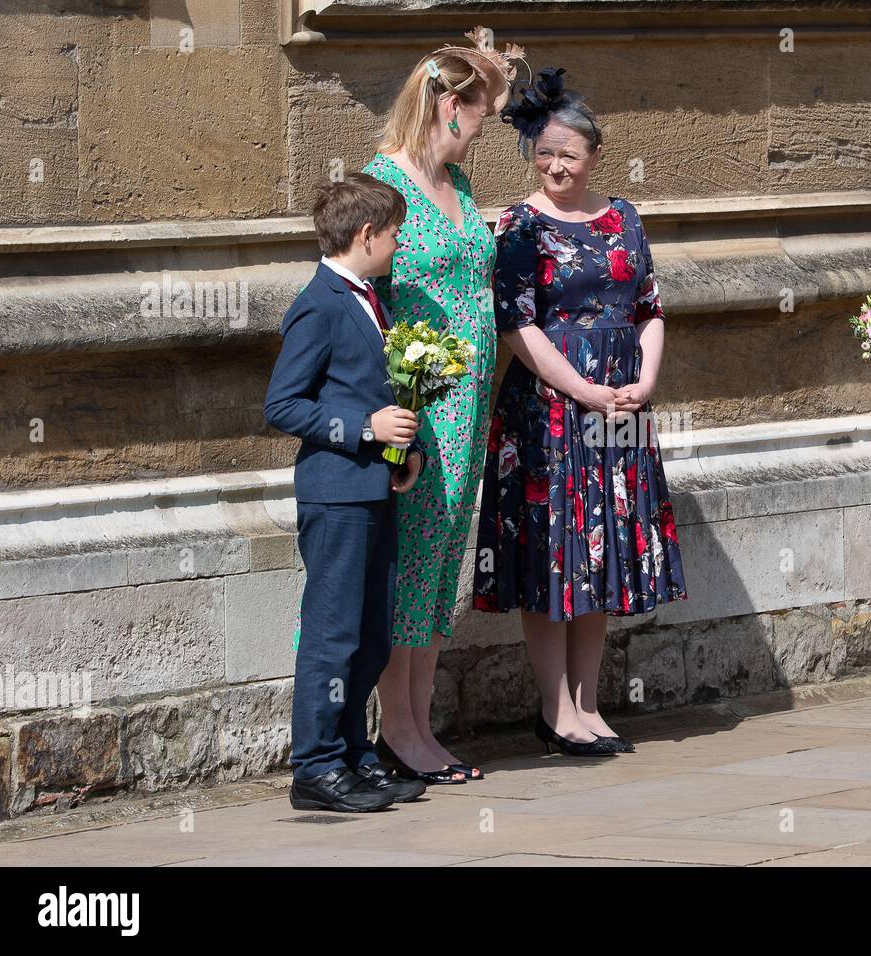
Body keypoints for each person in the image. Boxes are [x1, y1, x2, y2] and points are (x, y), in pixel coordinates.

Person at [473, 68, 688, 757]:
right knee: (551, 554)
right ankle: (554, 707)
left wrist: (643, 379)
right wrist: (583, 390)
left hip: (621, 405)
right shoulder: (520, 222)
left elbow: (649, 307)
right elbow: (517, 323)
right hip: (549, 409)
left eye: (569, 154)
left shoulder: (624, 216)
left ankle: (590, 703)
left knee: (600, 554)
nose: (557, 165)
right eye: (544, 154)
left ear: (595, 155)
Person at [364, 28, 528, 787]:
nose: (488, 125)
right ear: (449, 104)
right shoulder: (381, 186)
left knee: (438, 572)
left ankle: (418, 722)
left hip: (470, 409)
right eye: (483, 111)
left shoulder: (459, 188)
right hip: (417, 409)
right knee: (409, 568)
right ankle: (395, 728)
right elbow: (358, 303)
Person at [264, 172, 428, 811]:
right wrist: (364, 430)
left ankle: (356, 755)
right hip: (334, 496)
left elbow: (369, 390)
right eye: (393, 236)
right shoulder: (321, 302)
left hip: (373, 488)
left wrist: (400, 452)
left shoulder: (368, 297)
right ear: (366, 234)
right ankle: (316, 767)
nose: (398, 248)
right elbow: (283, 404)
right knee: (333, 633)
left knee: (372, 632)